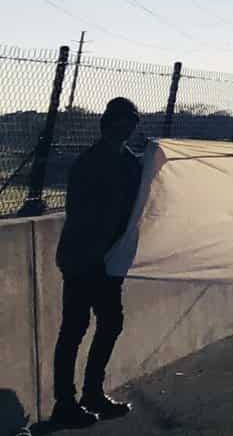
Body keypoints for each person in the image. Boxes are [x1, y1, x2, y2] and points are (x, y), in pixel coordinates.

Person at [50, 96, 144, 428]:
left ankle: (92, 393)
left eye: (131, 123)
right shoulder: (89, 163)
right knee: (75, 327)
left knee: (109, 323)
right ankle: (65, 402)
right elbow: (80, 215)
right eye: (122, 122)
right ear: (109, 123)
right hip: (82, 258)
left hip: (108, 259)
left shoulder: (131, 163)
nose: (128, 129)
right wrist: (97, 252)